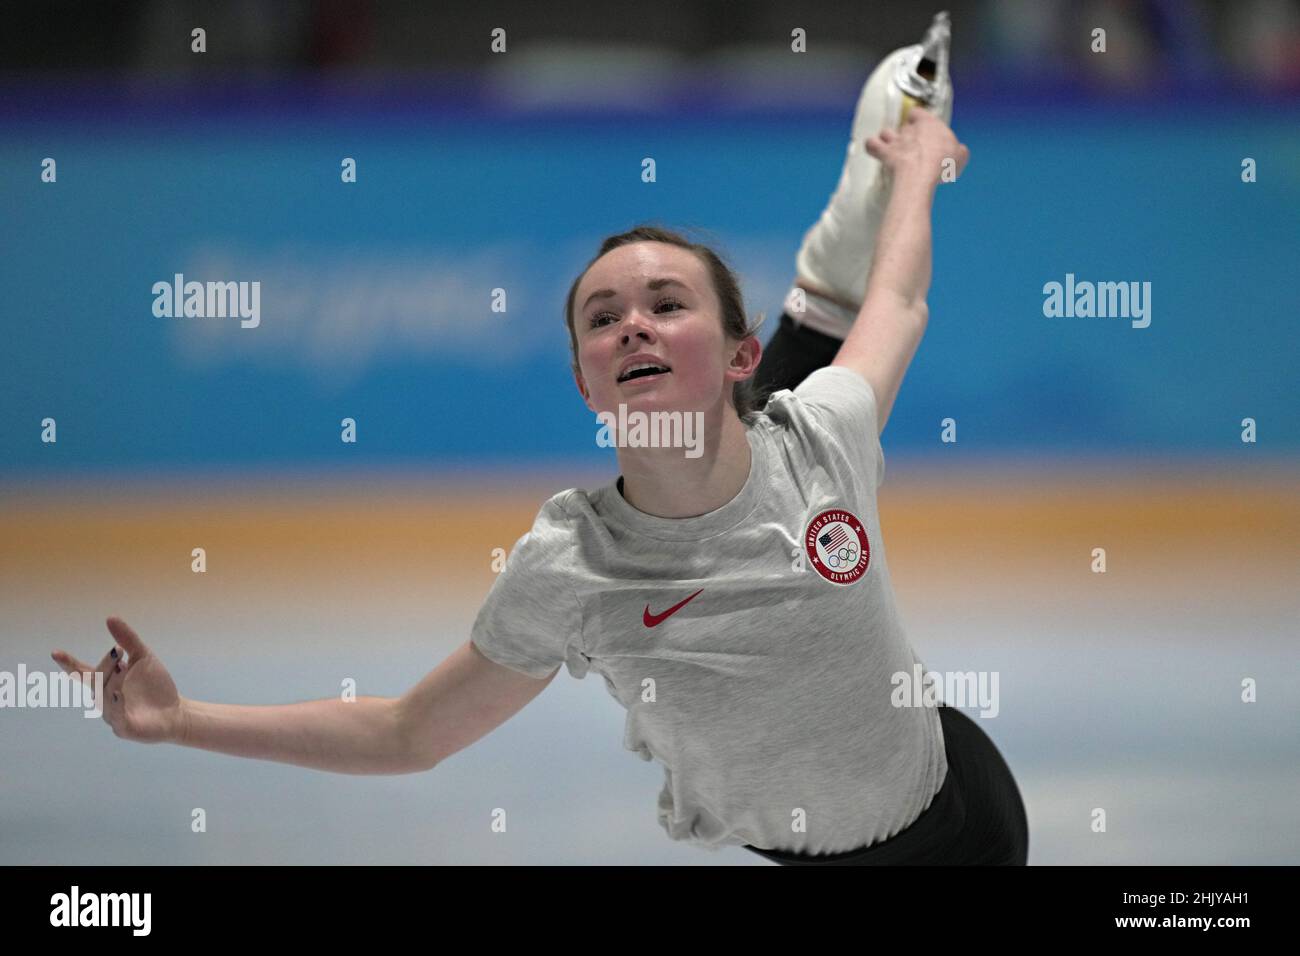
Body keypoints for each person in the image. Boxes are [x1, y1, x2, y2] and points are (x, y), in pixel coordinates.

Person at [52, 27, 1026, 865]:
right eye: (603, 318)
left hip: (966, 812)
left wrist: (912, 169)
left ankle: (834, 227)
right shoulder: (569, 566)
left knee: (819, 341)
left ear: (739, 349)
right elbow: (406, 730)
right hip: (798, 848)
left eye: (665, 304)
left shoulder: (821, 437)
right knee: (782, 376)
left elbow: (893, 299)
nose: (632, 325)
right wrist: (181, 721)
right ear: (581, 379)